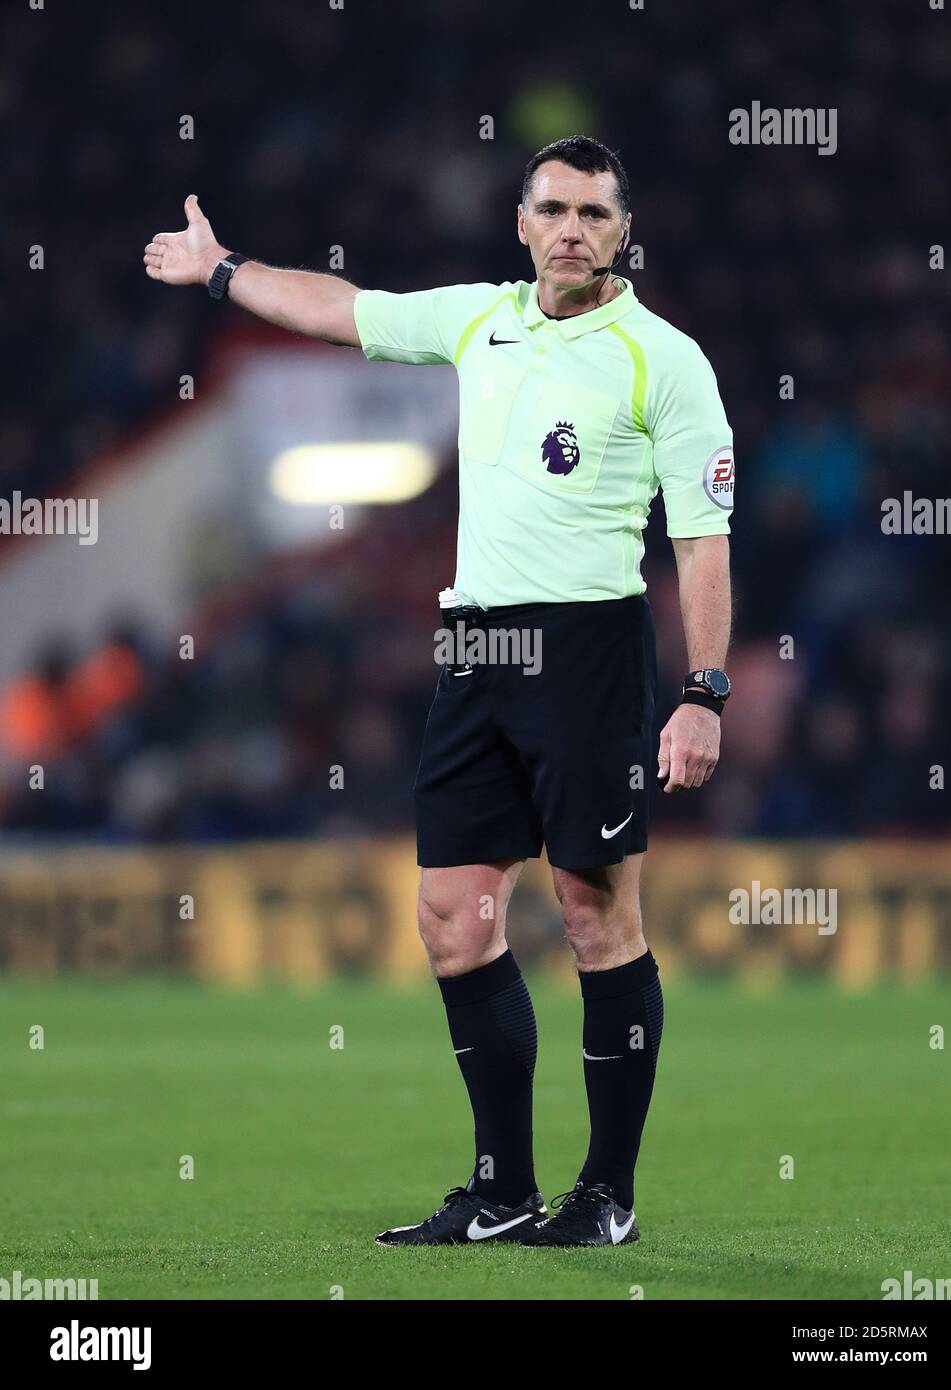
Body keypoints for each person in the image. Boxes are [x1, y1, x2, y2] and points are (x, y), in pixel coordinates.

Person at [144, 133, 734, 1248]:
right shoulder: (479, 317)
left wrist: (700, 690)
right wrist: (224, 271)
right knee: (450, 920)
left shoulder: (665, 360)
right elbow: (344, 309)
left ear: (622, 233)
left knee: (594, 914)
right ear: (520, 224)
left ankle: (605, 1195)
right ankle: (501, 1188)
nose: (570, 230)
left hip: (588, 652)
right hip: (475, 650)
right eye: (551, 209)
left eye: (593, 215)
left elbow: (700, 545)